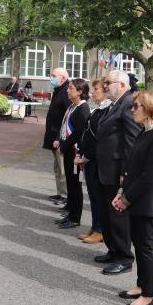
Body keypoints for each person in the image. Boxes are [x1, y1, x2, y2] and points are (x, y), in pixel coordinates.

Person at [113, 90, 153, 305]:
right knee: (138, 244)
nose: (133, 110)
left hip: (145, 202)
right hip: (135, 198)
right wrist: (121, 191)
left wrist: (126, 199)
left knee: (145, 248)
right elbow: (132, 168)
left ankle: (148, 296)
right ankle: (140, 285)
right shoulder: (144, 132)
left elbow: (149, 176)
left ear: (149, 108)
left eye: (136, 106)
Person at [95, 69, 142, 275]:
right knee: (107, 213)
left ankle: (124, 257)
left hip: (117, 170)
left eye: (109, 82)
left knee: (118, 214)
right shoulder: (116, 103)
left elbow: (131, 142)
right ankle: (113, 250)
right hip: (106, 168)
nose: (105, 85)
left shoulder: (129, 104)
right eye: (105, 82)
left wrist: (126, 171)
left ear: (122, 85)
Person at [75, 78, 109, 244]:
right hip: (89, 158)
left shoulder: (107, 109)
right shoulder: (98, 109)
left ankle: (100, 229)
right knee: (93, 196)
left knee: (97, 196)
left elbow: (98, 139)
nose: (93, 92)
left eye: (96, 89)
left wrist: (86, 156)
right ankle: (95, 226)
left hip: (96, 159)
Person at [54, 78, 91, 229]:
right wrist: (60, 141)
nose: (68, 91)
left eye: (71, 89)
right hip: (68, 150)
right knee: (70, 182)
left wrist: (63, 146)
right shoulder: (72, 107)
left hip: (75, 151)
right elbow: (64, 126)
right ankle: (70, 211)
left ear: (80, 92)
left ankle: (75, 217)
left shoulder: (83, 108)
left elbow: (78, 133)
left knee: (75, 185)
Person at [43, 68, 71, 205]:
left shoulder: (66, 92)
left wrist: (60, 138)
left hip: (60, 138)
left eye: (54, 76)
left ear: (63, 78)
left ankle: (66, 195)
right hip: (54, 136)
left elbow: (67, 118)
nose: (51, 78)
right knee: (57, 167)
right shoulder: (59, 90)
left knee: (63, 168)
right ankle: (60, 193)